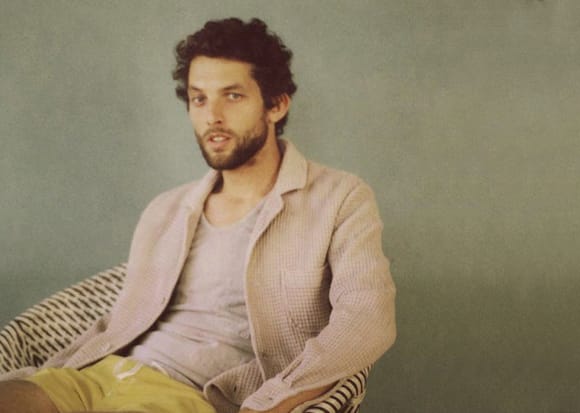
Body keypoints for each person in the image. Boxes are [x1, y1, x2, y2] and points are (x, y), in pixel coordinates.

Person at [0, 17, 396, 413]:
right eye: (199, 99)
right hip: (95, 377)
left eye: (233, 96)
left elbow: (367, 317)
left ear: (275, 105)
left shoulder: (339, 198)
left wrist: (274, 402)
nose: (212, 116)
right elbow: (120, 319)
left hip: (187, 396)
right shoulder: (165, 210)